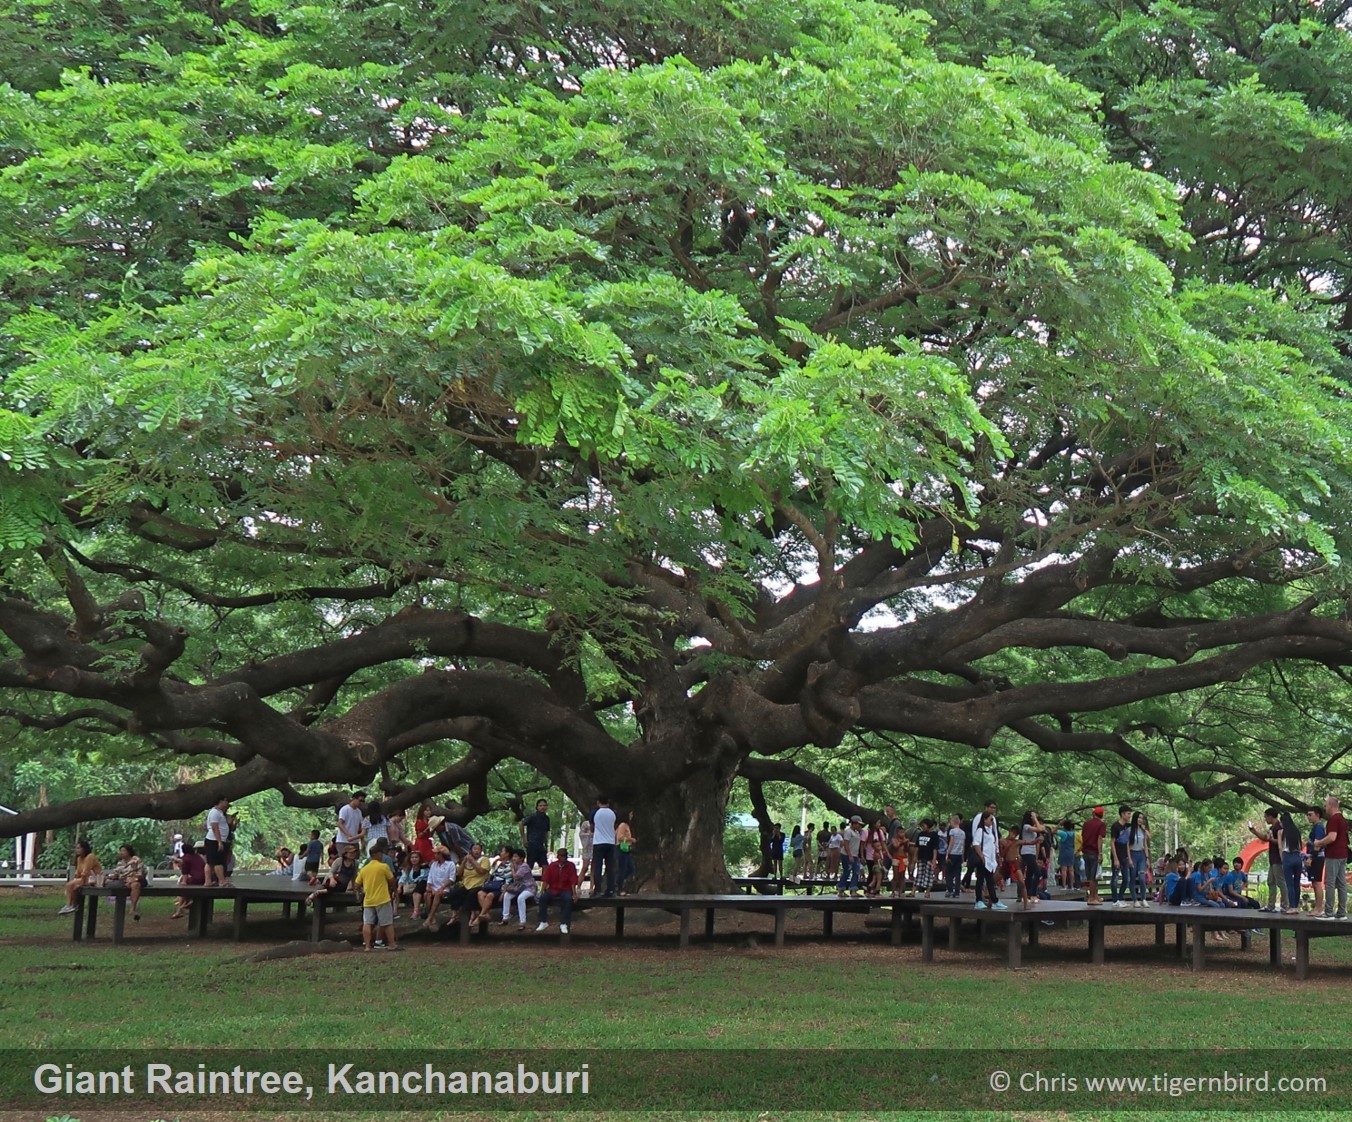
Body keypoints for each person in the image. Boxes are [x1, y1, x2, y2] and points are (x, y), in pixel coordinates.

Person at [354, 840, 401, 951]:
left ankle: (367, 946)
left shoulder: (364, 869)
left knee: (367, 922)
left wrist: (361, 891)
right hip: (382, 898)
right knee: (387, 922)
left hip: (368, 899)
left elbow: (356, 884)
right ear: (378, 854)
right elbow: (392, 880)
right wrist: (395, 891)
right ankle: (392, 944)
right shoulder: (383, 867)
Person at [1314, 794, 1348, 919]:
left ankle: (1328, 912)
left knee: (1330, 883)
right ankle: (1341, 913)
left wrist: (1319, 842)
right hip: (1343, 854)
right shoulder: (1342, 819)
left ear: (1331, 806)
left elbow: (1332, 837)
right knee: (1341, 884)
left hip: (1334, 855)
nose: (1324, 808)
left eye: (1325, 805)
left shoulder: (1333, 820)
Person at [1247, 808, 1286, 912]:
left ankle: (1285, 905)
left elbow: (1281, 841)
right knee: (1270, 881)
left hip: (1278, 859)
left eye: (1265, 817)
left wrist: (1270, 839)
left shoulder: (1279, 826)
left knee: (1281, 882)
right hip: (1272, 859)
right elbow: (1266, 838)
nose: (1265, 819)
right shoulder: (1272, 827)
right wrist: (1254, 831)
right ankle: (1271, 905)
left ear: (1270, 816)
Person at [536, 848, 580, 933]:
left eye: (565, 855)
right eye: (562, 856)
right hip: (553, 888)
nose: (564, 857)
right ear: (558, 856)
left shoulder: (571, 866)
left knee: (567, 899)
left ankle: (564, 923)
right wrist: (541, 891)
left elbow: (573, 880)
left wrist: (574, 893)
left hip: (566, 889)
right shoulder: (552, 866)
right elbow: (546, 879)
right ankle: (543, 921)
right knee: (543, 898)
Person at [58, 840, 103, 915]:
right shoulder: (79, 859)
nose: (77, 850)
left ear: (84, 848)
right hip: (84, 878)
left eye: (79, 848)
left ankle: (69, 905)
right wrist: (77, 879)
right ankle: (73, 905)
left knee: (70, 885)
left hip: (95, 878)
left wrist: (80, 882)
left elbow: (86, 871)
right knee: (73, 886)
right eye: (76, 848)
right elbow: (78, 872)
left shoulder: (90, 856)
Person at [971, 811, 1004, 910]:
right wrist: (981, 856)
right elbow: (976, 843)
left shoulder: (991, 831)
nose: (991, 822)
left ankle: (994, 900)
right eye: (990, 819)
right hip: (983, 859)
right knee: (981, 880)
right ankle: (980, 901)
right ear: (984, 819)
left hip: (990, 859)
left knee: (989, 880)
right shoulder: (980, 830)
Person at [421, 846, 457, 931]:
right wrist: (429, 886)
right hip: (433, 887)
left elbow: (452, 879)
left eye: (436, 854)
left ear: (441, 854)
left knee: (437, 895)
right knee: (427, 894)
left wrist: (442, 887)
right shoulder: (434, 864)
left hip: (445, 888)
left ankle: (430, 917)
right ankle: (431, 917)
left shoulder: (450, 864)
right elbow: (430, 876)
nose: (434, 855)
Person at [500, 849, 538, 930]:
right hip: (518, 887)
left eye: (516, 856)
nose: (513, 858)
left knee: (521, 898)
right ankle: (505, 917)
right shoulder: (514, 864)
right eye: (513, 856)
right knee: (507, 895)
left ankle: (522, 921)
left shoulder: (524, 866)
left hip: (529, 887)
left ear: (521, 858)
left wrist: (512, 869)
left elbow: (516, 876)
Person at [170, 841, 207, 918]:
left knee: (183, 887)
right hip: (204, 878)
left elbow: (185, 872)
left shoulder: (186, 858)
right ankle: (184, 905)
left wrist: (183, 881)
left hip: (196, 879)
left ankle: (181, 907)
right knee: (185, 886)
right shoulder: (197, 857)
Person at [1122, 811, 1151, 908]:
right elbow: (1127, 845)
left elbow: (1146, 844)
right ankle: (1135, 900)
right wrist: (1129, 858)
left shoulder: (1142, 831)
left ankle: (1143, 898)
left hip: (1142, 855)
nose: (1140, 820)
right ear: (1135, 818)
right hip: (1133, 854)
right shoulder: (1129, 830)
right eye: (1139, 818)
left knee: (1142, 878)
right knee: (1133, 878)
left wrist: (1147, 858)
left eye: (1142, 818)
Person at [202, 795, 232, 889]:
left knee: (210, 862)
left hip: (215, 840)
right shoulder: (215, 812)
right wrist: (219, 841)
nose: (227, 804)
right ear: (220, 801)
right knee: (217, 862)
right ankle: (222, 881)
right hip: (214, 840)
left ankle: (208, 881)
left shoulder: (220, 813)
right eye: (225, 801)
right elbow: (215, 827)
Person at [1277, 810, 1303, 915]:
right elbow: (1301, 846)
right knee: (1297, 883)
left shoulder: (1281, 832)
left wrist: (1282, 859)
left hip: (1287, 856)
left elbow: (1280, 846)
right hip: (1297, 857)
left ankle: (1291, 907)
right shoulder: (1296, 831)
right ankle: (1296, 906)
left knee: (1289, 884)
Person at [592, 796, 618, 897]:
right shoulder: (613, 813)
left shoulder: (595, 812)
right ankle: (611, 890)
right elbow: (615, 825)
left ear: (598, 802)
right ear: (608, 802)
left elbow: (592, 827)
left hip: (598, 842)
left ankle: (597, 890)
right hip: (610, 842)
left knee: (597, 867)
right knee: (610, 867)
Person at [1081, 806, 1106, 905]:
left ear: (1093, 814)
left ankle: (1095, 895)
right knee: (1093, 876)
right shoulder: (1101, 824)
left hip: (1086, 851)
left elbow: (1083, 836)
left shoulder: (1086, 824)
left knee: (1091, 875)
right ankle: (1091, 898)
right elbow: (1100, 838)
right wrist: (1100, 853)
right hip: (1094, 852)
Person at [519, 799, 551, 872]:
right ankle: (527, 882)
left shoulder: (546, 819)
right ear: (537, 807)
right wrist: (524, 839)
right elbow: (521, 823)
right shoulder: (532, 817)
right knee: (529, 865)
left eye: (544, 805)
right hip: (532, 844)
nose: (542, 807)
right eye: (540, 805)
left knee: (545, 866)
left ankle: (545, 883)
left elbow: (546, 832)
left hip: (541, 845)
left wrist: (546, 844)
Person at [1305, 807, 1327, 917]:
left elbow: (1318, 845)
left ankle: (1319, 908)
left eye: (1310, 814)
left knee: (1317, 883)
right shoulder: (1315, 827)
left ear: (1317, 814)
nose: (1308, 817)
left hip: (1317, 858)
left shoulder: (1319, 828)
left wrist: (1311, 858)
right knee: (1314, 883)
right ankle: (1317, 907)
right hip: (1314, 857)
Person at [1108, 806, 1130, 904]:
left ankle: (1121, 897)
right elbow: (1112, 842)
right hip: (1117, 855)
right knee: (1115, 878)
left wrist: (1129, 857)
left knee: (1127, 879)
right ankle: (1115, 899)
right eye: (1128, 813)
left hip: (1125, 855)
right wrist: (1115, 858)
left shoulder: (1128, 826)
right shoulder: (1115, 826)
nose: (1129, 815)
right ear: (1122, 814)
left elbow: (1128, 842)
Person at [399, 850, 429, 920]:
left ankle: (416, 911)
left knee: (419, 888)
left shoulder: (424, 867)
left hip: (423, 885)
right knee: (395, 892)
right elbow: (403, 878)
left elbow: (425, 877)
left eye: (416, 857)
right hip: (412, 886)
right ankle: (394, 912)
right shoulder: (408, 868)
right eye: (412, 857)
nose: (414, 859)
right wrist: (399, 887)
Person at [913, 819, 939, 898]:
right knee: (919, 873)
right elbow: (917, 846)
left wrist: (934, 859)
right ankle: (913, 891)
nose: (922, 827)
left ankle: (927, 892)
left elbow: (935, 848)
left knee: (928, 874)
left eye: (923, 826)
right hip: (921, 857)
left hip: (929, 858)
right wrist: (915, 856)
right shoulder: (921, 834)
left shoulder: (934, 835)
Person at [837, 816, 863, 897]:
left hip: (855, 855)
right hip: (847, 855)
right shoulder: (848, 832)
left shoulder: (857, 833)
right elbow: (846, 844)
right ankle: (841, 889)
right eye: (858, 824)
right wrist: (850, 855)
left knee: (856, 872)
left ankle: (853, 889)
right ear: (854, 823)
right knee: (847, 872)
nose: (859, 826)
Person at [615, 810, 637, 895]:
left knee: (630, 868)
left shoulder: (627, 825)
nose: (632, 816)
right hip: (621, 848)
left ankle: (619, 882)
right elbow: (620, 838)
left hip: (626, 849)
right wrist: (630, 839)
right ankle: (619, 887)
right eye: (630, 814)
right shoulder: (623, 825)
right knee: (623, 869)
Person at [944, 815, 965, 899]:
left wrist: (947, 853)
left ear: (953, 822)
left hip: (952, 854)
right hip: (959, 854)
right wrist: (963, 855)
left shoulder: (952, 831)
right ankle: (957, 892)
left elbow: (951, 842)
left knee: (948, 873)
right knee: (957, 873)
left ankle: (949, 890)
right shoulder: (963, 833)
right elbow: (963, 844)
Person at [576, 817, 594, 892]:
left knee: (594, 869)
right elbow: (581, 834)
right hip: (587, 846)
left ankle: (591, 887)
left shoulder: (599, 823)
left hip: (595, 846)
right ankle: (578, 886)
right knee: (585, 867)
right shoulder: (586, 823)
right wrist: (589, 834)